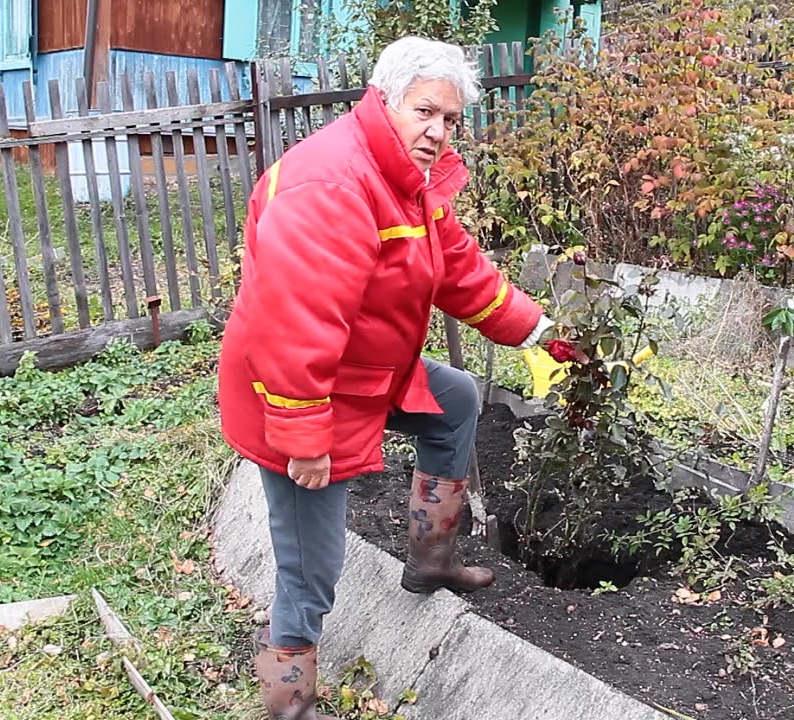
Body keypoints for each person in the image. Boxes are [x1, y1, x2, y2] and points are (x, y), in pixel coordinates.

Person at [217, 35, 554, 720]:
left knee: (455, 397)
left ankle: (430, 556)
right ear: (384, 100)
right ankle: (286, 702)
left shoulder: (404, 180)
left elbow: (455, 266)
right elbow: (295, 318)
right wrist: (304, 432)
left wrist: (538, 331)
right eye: (425, 111)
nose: (437, 131)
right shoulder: (332, 184)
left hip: (363, 372)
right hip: (295, 393)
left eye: (451, 120)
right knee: (311, 564)